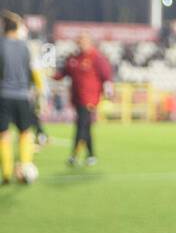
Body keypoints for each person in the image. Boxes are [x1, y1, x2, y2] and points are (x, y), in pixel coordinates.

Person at [54, 34, 113, 167]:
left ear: (90, 42)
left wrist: (109, 90)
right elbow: (63, 73)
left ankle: (74, 156)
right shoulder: (74, 58)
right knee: (86, 127)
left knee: (80, 126)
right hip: (77, 98)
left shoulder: (96, 57)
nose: (81, 44)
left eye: (83, 41)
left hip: (89, 98)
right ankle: (91, 155)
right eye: (79, 41)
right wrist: (51, 75)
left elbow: (106, 75)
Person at [0, 11, 43, 184]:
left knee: (3, 135)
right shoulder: (26, 47)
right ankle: (25, 167)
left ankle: (7, 174)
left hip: (3, 95)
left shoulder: (1, 45)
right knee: (25, 132)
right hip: (22, 96)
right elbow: (33, 72)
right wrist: (38, 91)